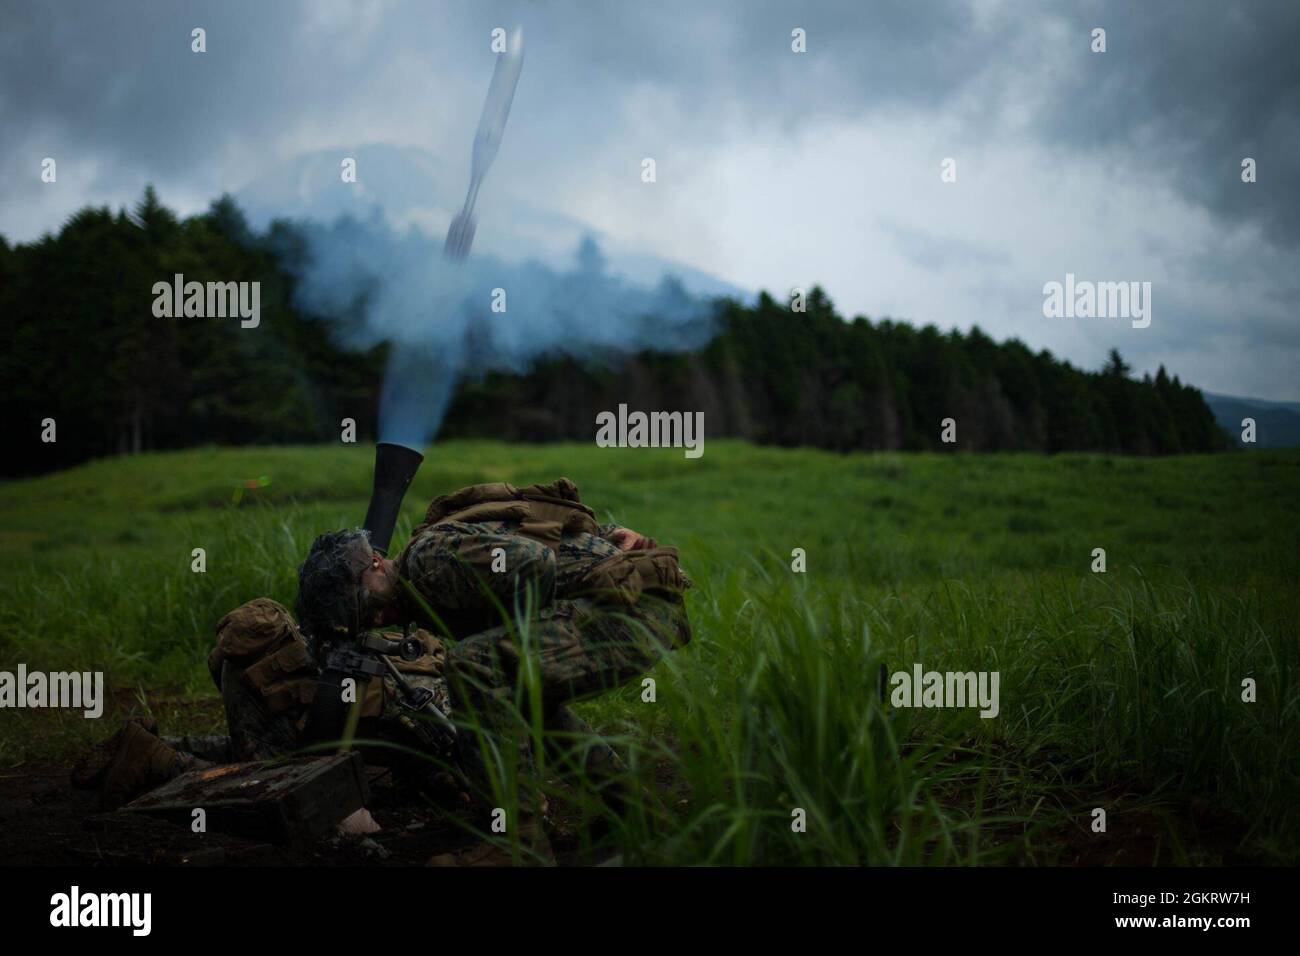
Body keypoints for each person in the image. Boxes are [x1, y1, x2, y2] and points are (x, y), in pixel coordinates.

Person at [74, 477, 691, 865]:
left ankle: (519, 843)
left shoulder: (428, 562)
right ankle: (633, 811)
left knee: (476, 668)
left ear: (374, 568)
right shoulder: (429, 572)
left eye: (368, 609)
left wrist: (579, 575)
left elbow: (531, 562)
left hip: (626, 611)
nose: (380, 620)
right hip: (631, 605)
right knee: (516, 689)